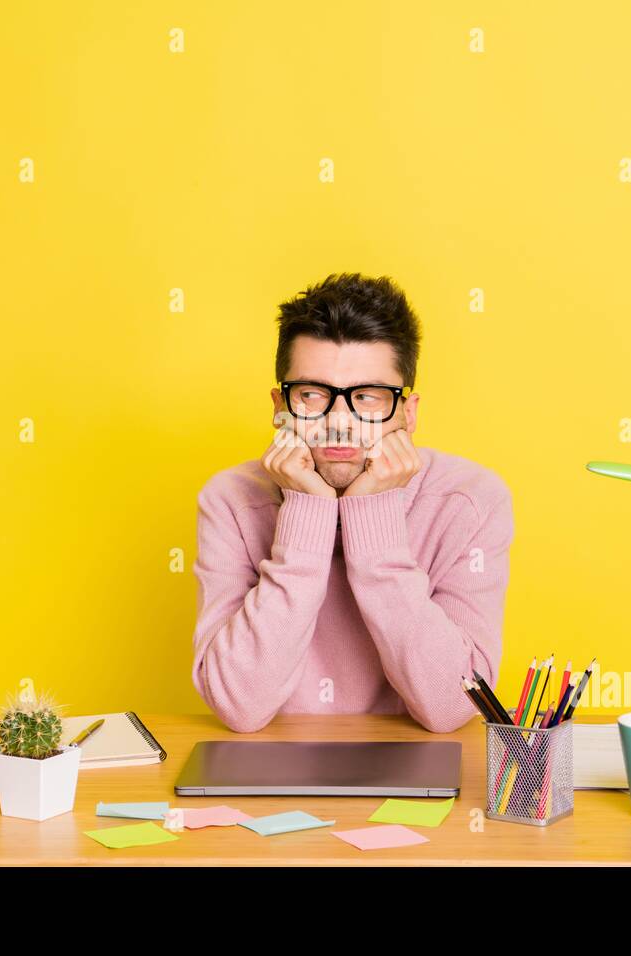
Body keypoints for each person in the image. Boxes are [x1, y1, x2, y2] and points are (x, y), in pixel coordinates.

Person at [191, 272, 513, 733]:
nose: (339, 422)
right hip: (273, 770)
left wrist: (373, 518)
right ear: (279, 406)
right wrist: (305, 510)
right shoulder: (230, 501)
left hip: (416, 771)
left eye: (367, 397)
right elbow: (240, 706)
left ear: (409, 411)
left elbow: (450, 708)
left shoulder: (472, 500)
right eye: (312, 395)